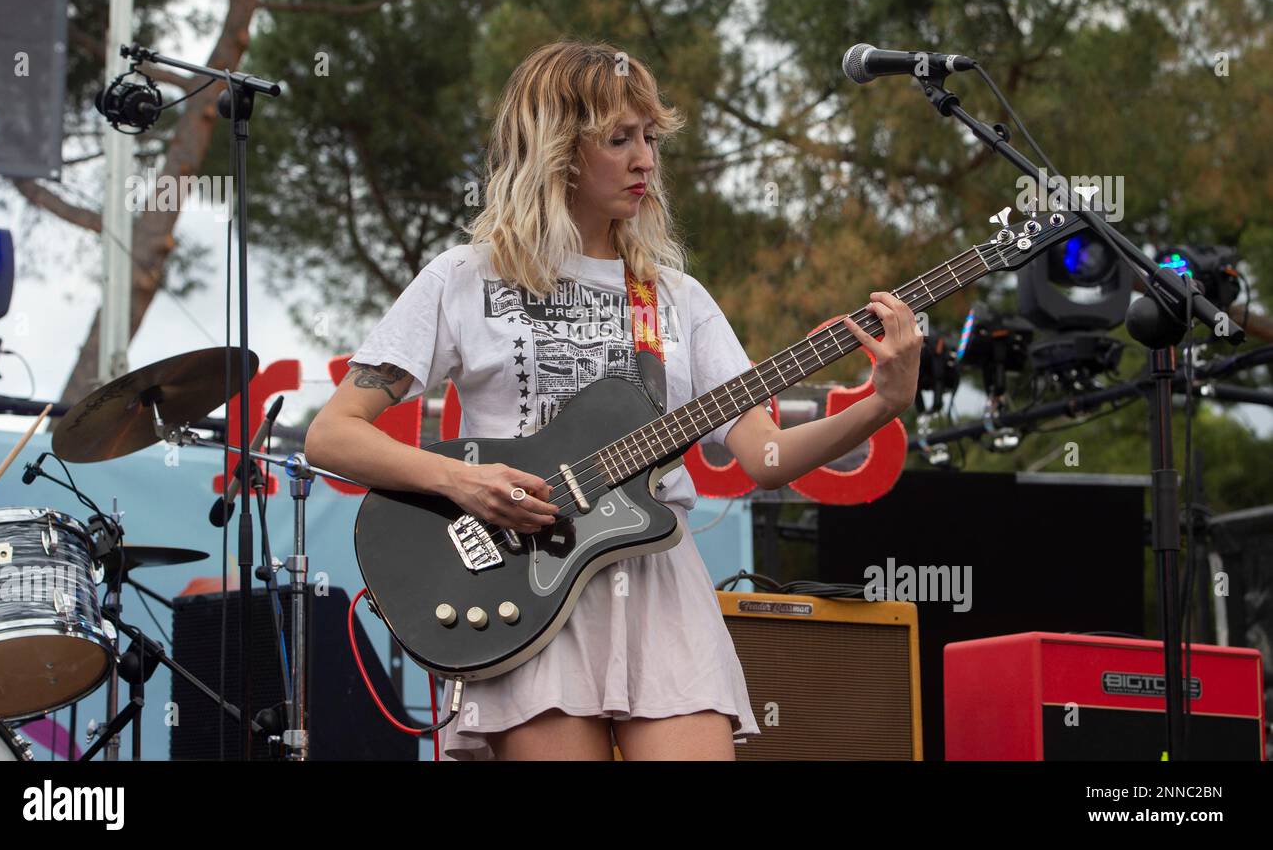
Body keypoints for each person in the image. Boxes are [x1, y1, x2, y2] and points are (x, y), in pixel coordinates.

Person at [305, 40, 922, 760]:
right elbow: (333, 436)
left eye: (650, 139)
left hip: (659, 584)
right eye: (620, 139)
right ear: (558, 150)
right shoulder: (464, 278)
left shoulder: (673, 298)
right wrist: (465, 481)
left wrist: (882, 402)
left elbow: (767, 456)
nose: (646, 161)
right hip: (523, 584)